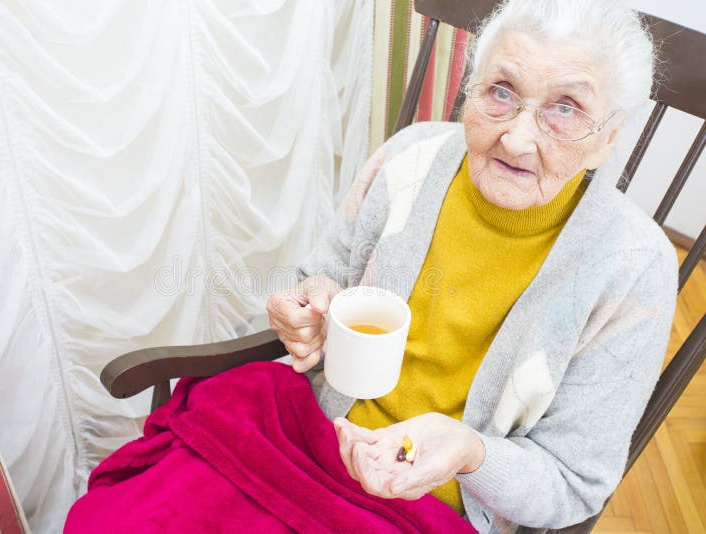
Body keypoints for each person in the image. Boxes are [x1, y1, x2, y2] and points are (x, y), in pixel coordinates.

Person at [266, 0, 678, 531]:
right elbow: (322, 277)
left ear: (608, 138)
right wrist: (306, 306)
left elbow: (574, 482)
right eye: (501, 92)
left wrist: (470, 453)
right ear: (472, 88)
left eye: (566, 108)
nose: (517, 138)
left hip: (431, 508)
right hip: (312, 439)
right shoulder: (407, 160)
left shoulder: (633, 266)